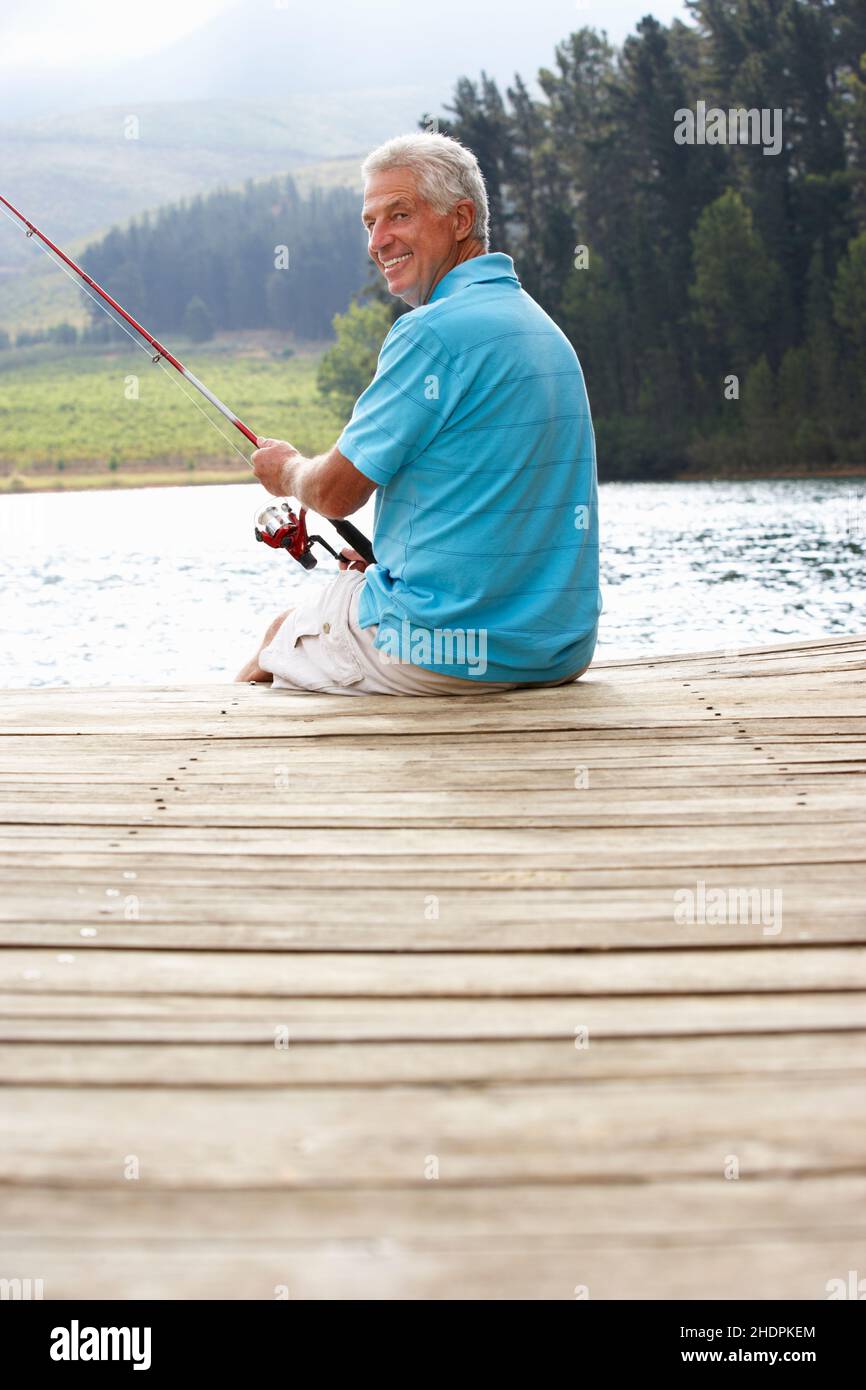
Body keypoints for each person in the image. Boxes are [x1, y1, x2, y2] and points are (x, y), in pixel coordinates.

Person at [235, 131, 601, 694]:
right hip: (557, 650)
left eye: (398, 215)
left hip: (443, 652)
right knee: (321, 620)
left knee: (280, 636)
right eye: (369, 223)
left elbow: (334, 493)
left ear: (460, 220)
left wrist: (286, 471)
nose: (378, 241)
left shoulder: (431, 333)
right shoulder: (543, 330)